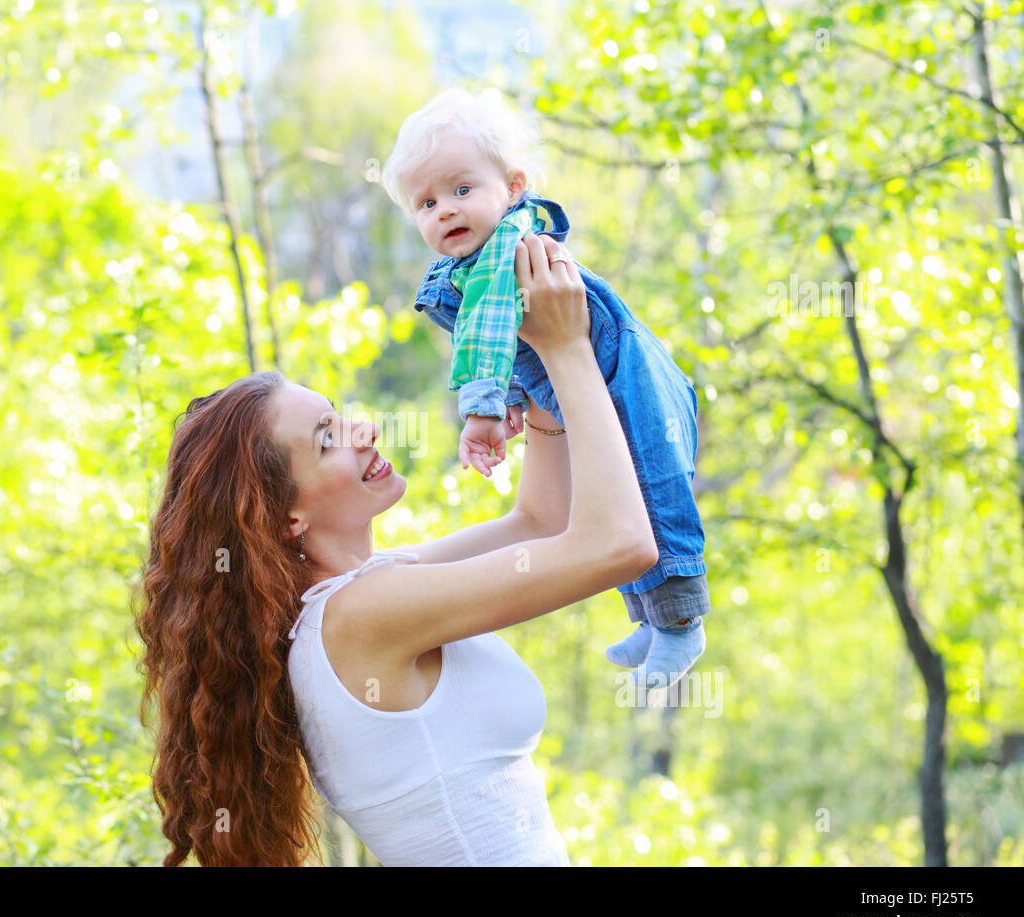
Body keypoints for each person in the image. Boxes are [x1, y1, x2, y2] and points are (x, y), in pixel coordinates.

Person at [134, 233, 656, 866]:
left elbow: (543, 523)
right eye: (327, 439)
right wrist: (567, 346)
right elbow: (619, 544)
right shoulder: (362, 614)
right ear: (287, 517)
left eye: (339, 415)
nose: (362, 431)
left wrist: (532, 371)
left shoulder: (362, 596)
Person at [380, 85, 710, 691]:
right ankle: (650, 618)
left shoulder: (508, 244)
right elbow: (516, 347)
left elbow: (488, 326)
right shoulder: (476, 261)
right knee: (605, 489)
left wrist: (480, 409)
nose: (446, 210)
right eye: (426, 203)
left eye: (461, 189)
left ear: (511, 188)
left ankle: (682, 620)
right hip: (583, 383)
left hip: (627, 378)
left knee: (651, 489)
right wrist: (511, 400)